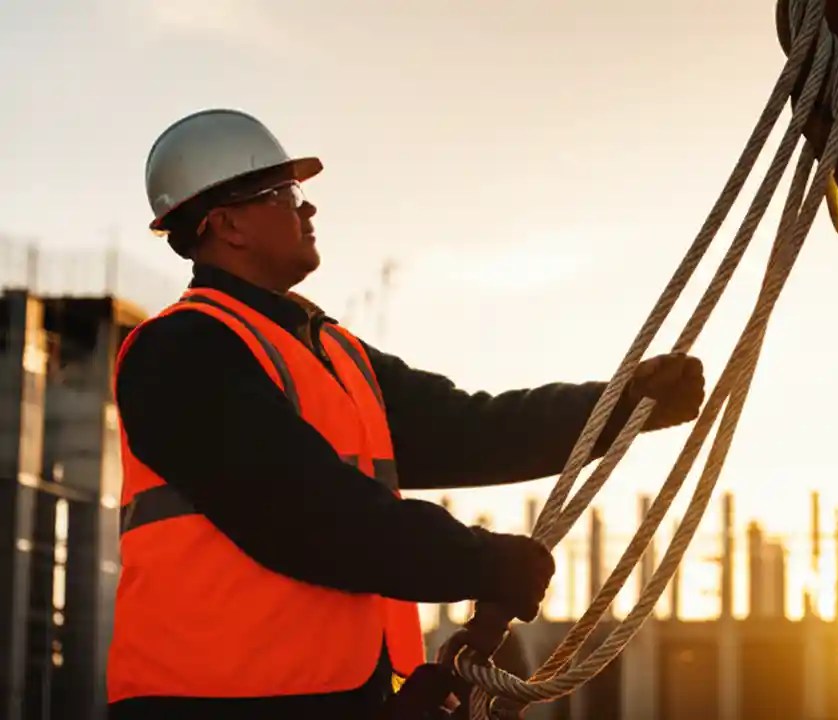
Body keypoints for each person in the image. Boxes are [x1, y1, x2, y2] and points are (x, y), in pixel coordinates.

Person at [106, 108, 705, 720]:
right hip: (207, 703)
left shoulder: (330, 351)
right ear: (226, 224)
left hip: (335, 699)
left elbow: (471, 430)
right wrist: (480, 562)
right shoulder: (179, 352)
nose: (307, 208)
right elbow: (301, 509)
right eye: (285, 193)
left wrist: (623, 404)